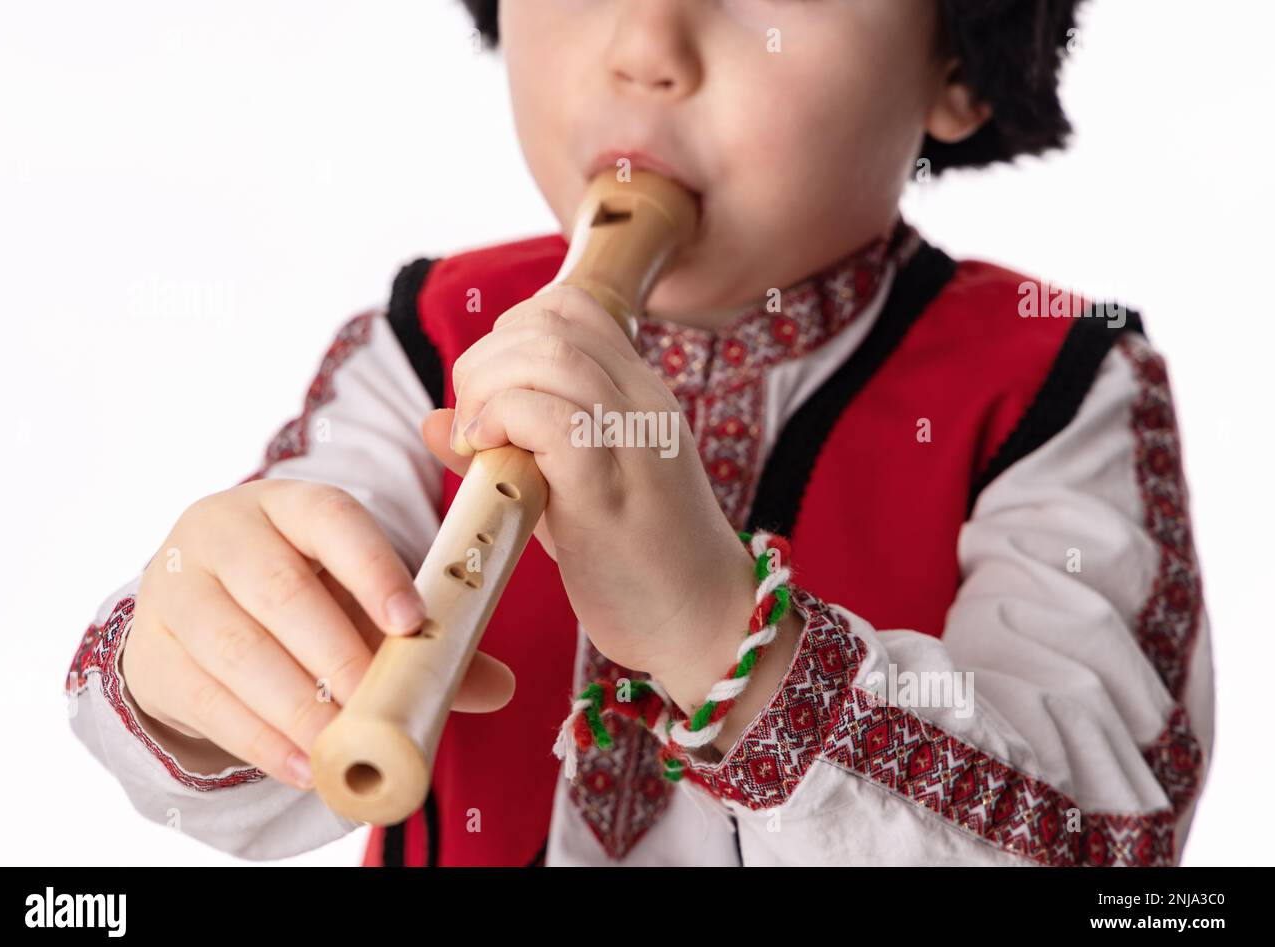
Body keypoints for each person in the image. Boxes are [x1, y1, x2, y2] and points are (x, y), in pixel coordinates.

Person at [66, 0, 1213, 866]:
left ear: (960, 63)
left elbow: (1113, 854)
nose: (646, 45)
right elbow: (259, 768)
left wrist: (722, 635)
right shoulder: (424, 338)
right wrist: (199, 665)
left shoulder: (1059, 378)